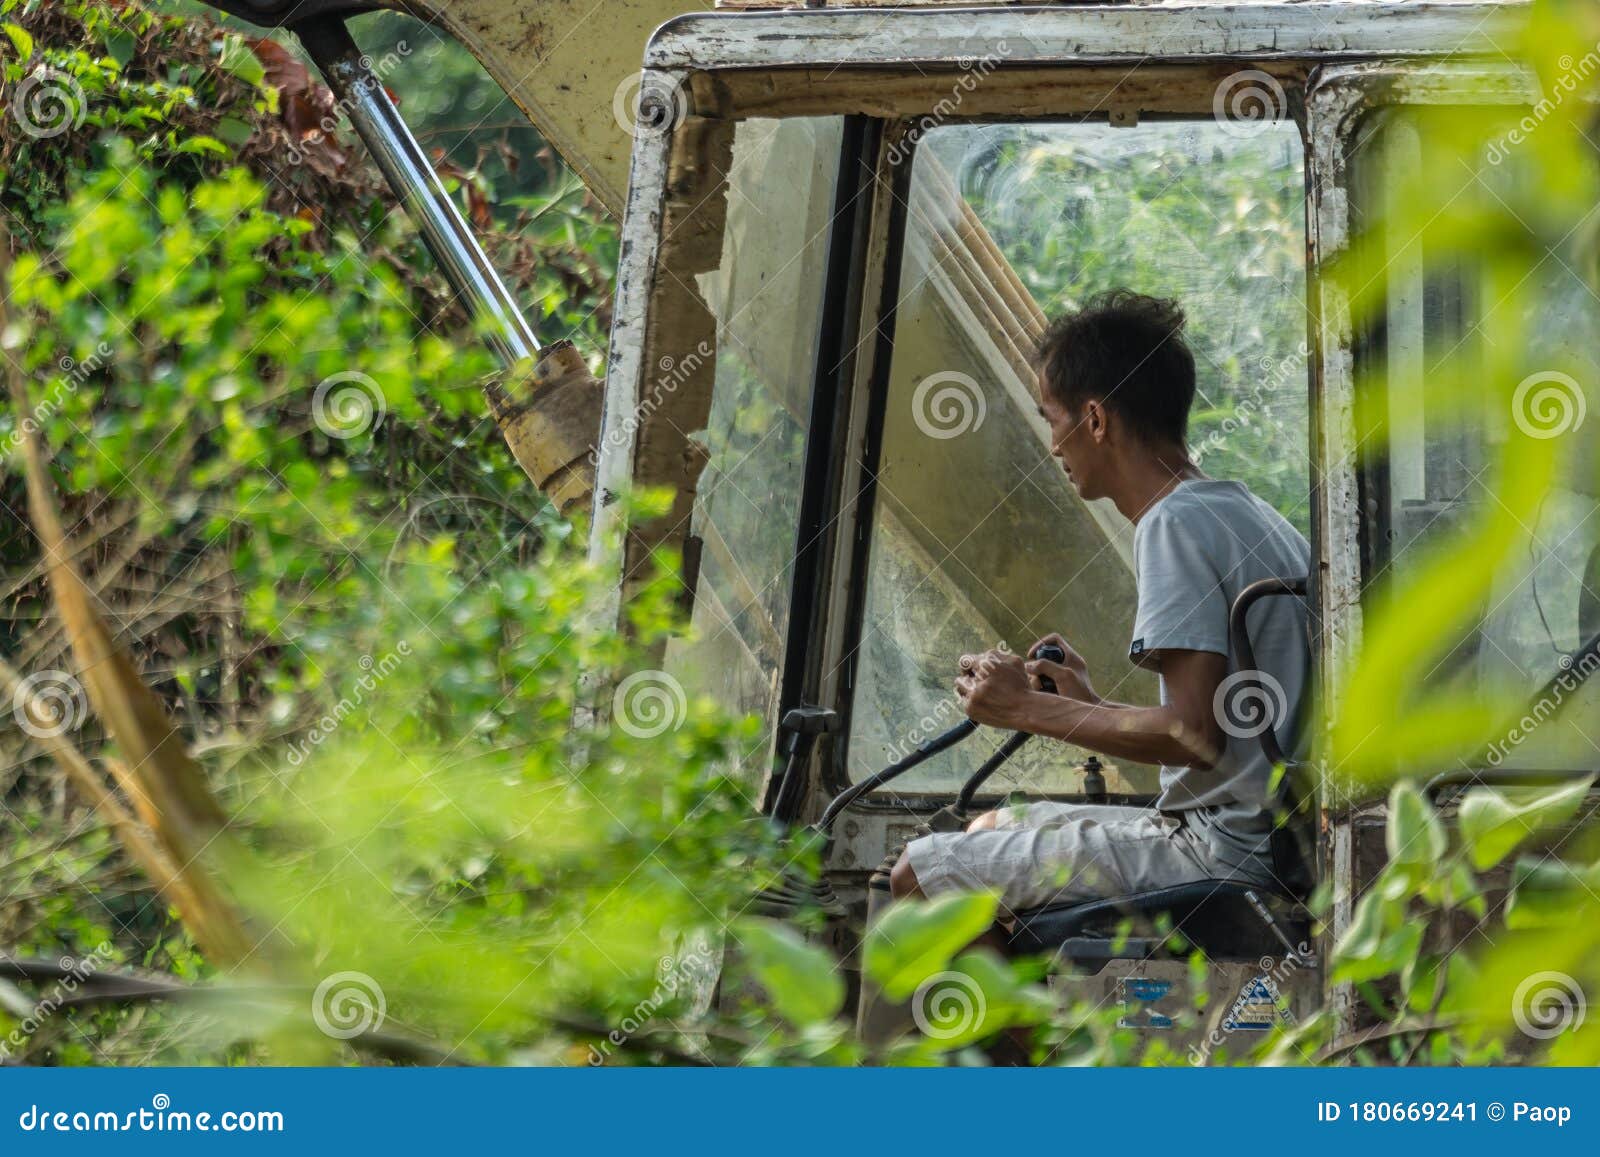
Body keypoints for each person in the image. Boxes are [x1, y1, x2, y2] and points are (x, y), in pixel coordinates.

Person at [889, 290, 1312, 918]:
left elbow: (1193, 737)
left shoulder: (1171, 525)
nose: (1053, 446)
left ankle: (1015, 1020)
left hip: (1221, 849)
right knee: (990, 825)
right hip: (1274, 837)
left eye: (1051, 419)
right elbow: (1221, 726)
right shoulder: (1243, 511)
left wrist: (1022, 707)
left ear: (1095, 421)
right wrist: (1087, 704)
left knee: (916, 877)